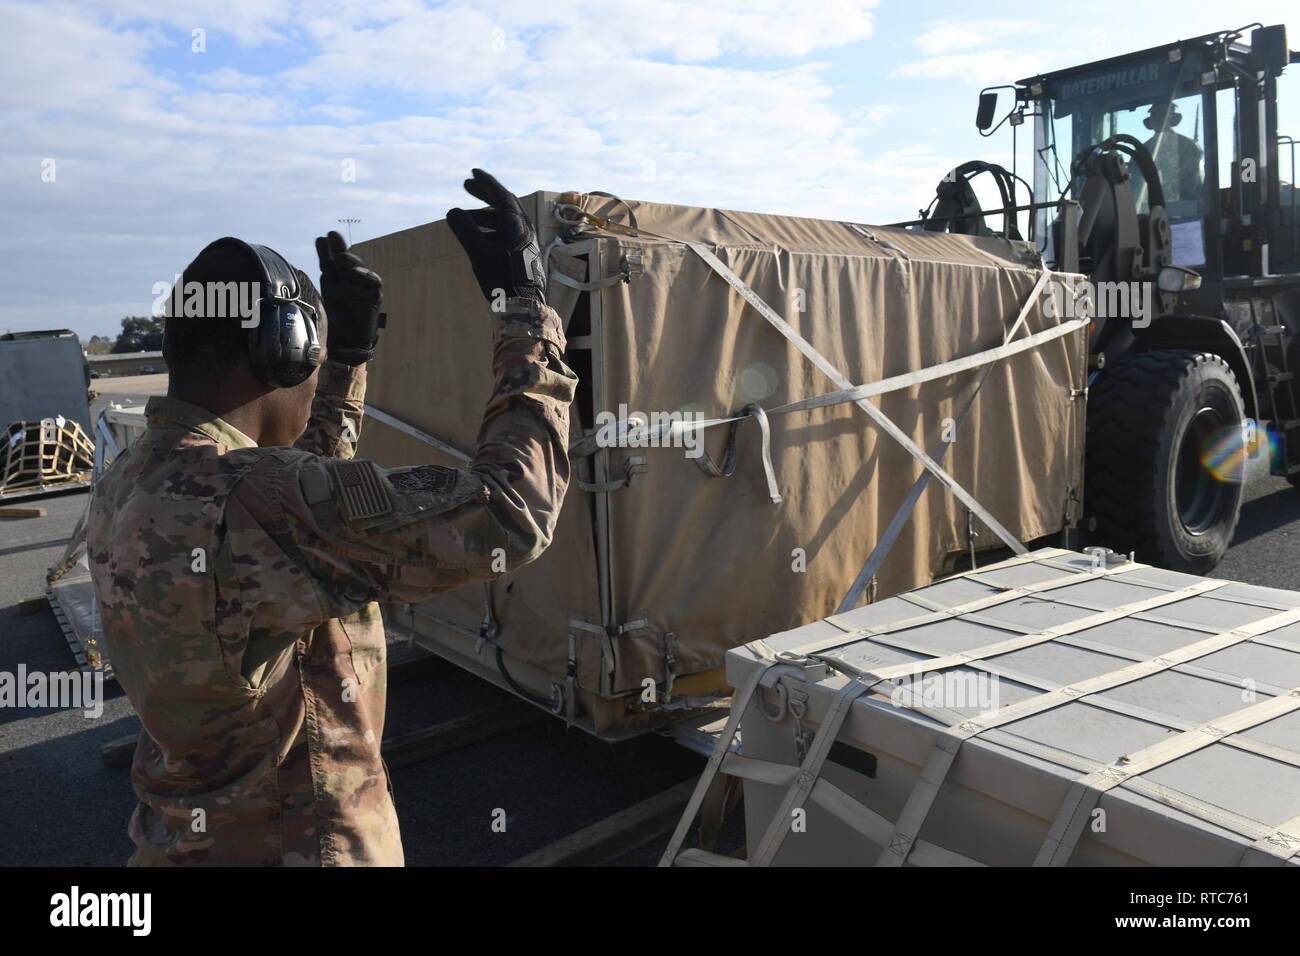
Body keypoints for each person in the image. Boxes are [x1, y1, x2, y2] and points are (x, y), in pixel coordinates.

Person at [87, 170, 577, 866]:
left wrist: (346, 359)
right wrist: (524, 308)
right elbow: (508, 513)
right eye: (312, 357)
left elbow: (297, 519)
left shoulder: (130, 480)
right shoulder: (257, 497)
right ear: (280, 351)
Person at [1139, 102, 1204, 205]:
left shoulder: (1188, 146)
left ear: (1172, 117)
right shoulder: (1142, 150)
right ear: (1150, 120)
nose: (1158, 118)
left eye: (1163, 113)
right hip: (1149, 211)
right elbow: (1135, 184)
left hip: (1185, 210)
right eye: (1154, 114)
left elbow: (1191, 184)